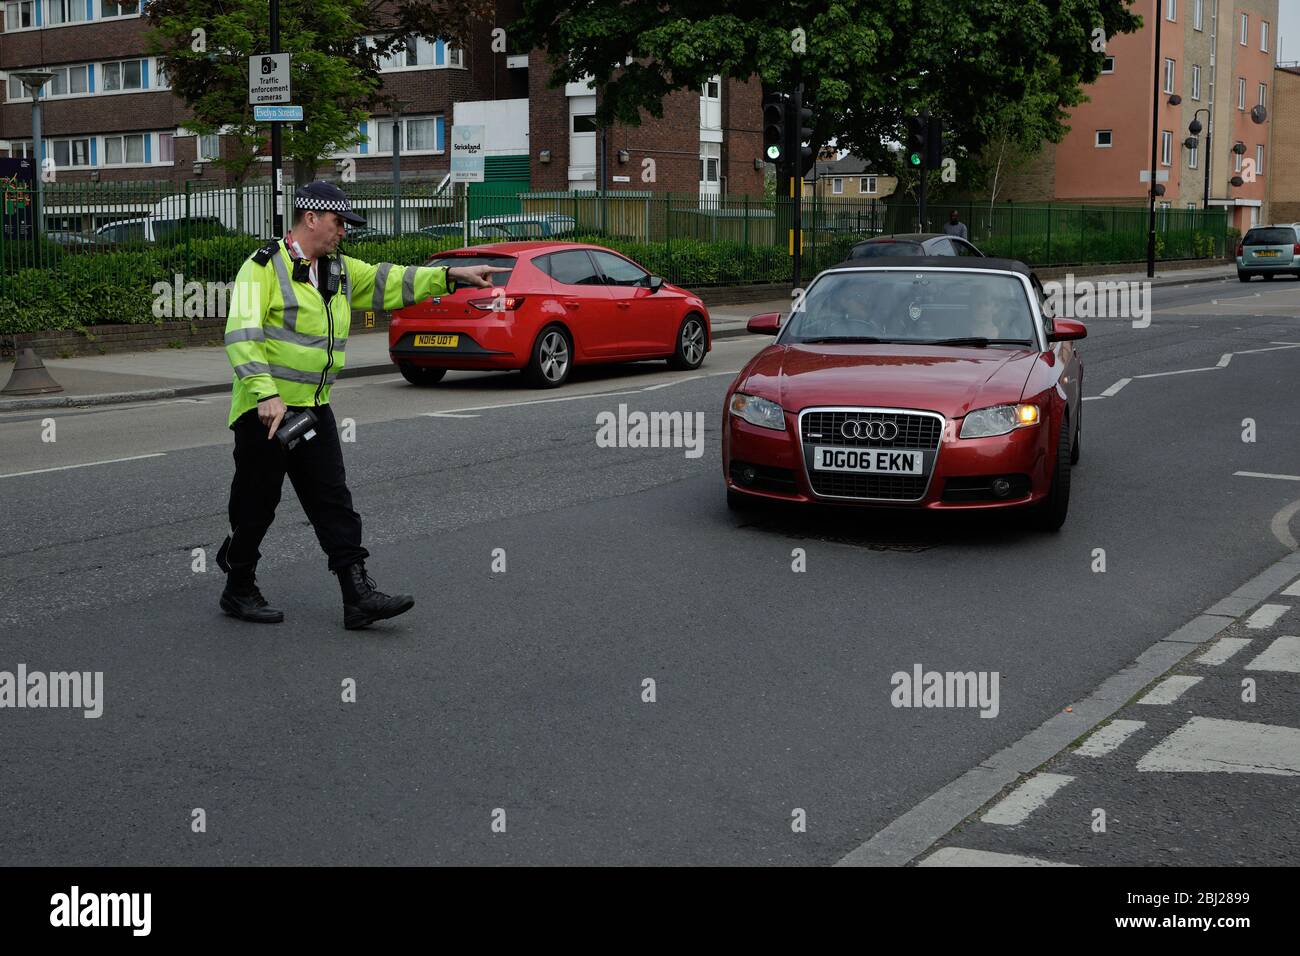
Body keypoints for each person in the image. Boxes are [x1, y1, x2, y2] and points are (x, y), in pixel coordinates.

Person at [217, 181, 504, 629]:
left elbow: (391, 280)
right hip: (265, 413)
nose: (343, 233)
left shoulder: (338, 270)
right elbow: (242, 332)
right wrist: (265, 393)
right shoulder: (262, 268)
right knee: (256, 506)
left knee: (334, 501)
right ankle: (238, 585)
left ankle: (357, 595)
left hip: (313, 409)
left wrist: (449, 277)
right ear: (311, 218)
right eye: (338, 223)